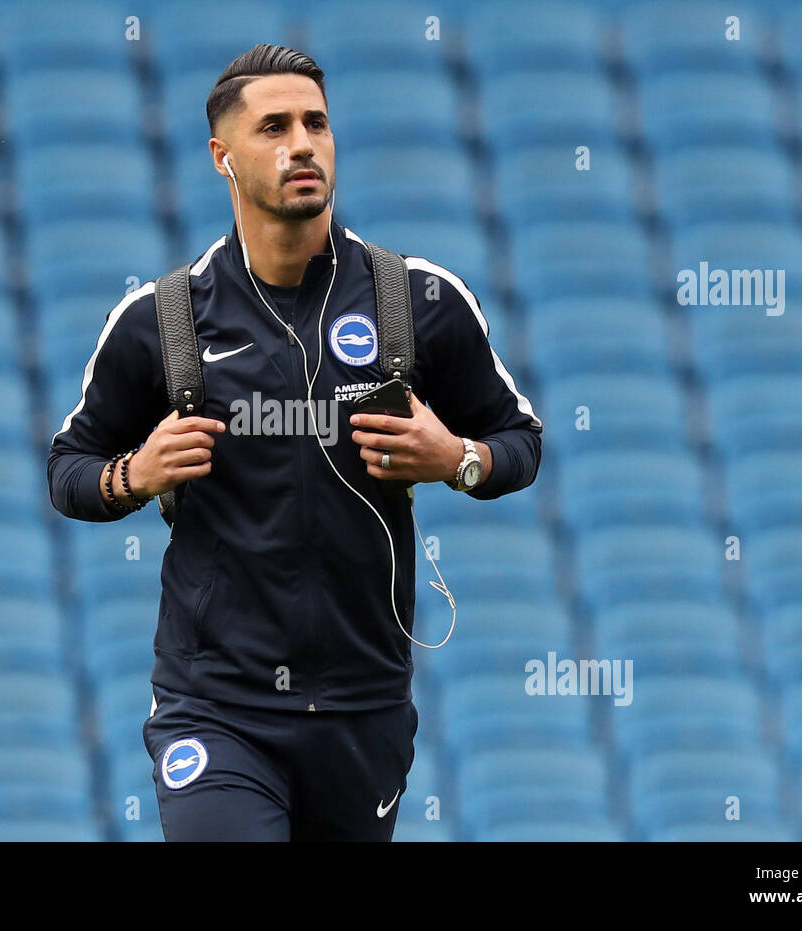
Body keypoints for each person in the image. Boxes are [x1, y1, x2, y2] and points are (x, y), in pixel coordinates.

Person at [47, 44, 541, 841]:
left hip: (362, 704)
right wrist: (134, 474)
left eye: (316, 123)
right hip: (215, 703)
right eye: (273, 126)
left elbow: (519, 439)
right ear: (222, 157)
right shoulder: (162, 320)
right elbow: (67, 469)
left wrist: (457, 458)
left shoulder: (416, 301)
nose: (302, 143)